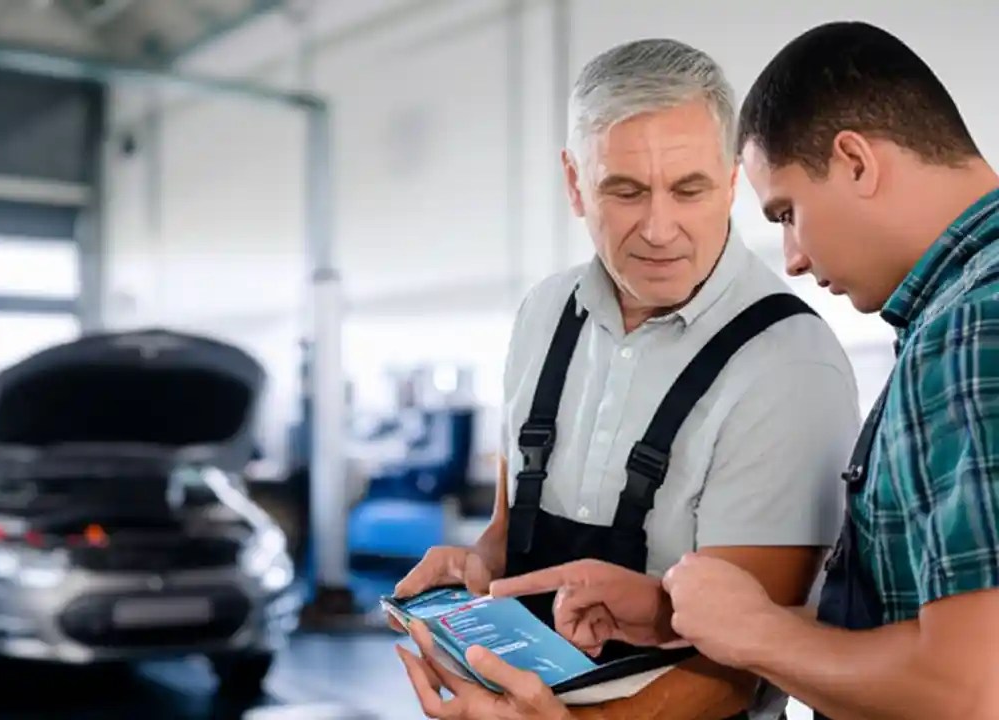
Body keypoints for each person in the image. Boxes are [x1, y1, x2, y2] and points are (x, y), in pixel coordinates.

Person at [494, 21, 999, 720]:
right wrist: (676, 613)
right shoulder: (963, 316)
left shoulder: (970, 330)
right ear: (577, 184)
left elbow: (972, 692)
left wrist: (757, 632)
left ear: (855, 161)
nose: (790, 256)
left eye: (787, 212)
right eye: (627, 191)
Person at [392, 38, 861, 720]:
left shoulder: (789, 364)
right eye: (626, 190)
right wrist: (473, 575)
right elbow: (507, 528)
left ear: (732, 179)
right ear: (576, 184)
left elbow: (742, 663)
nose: (659, 228)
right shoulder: (543, 315)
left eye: (689, 189)